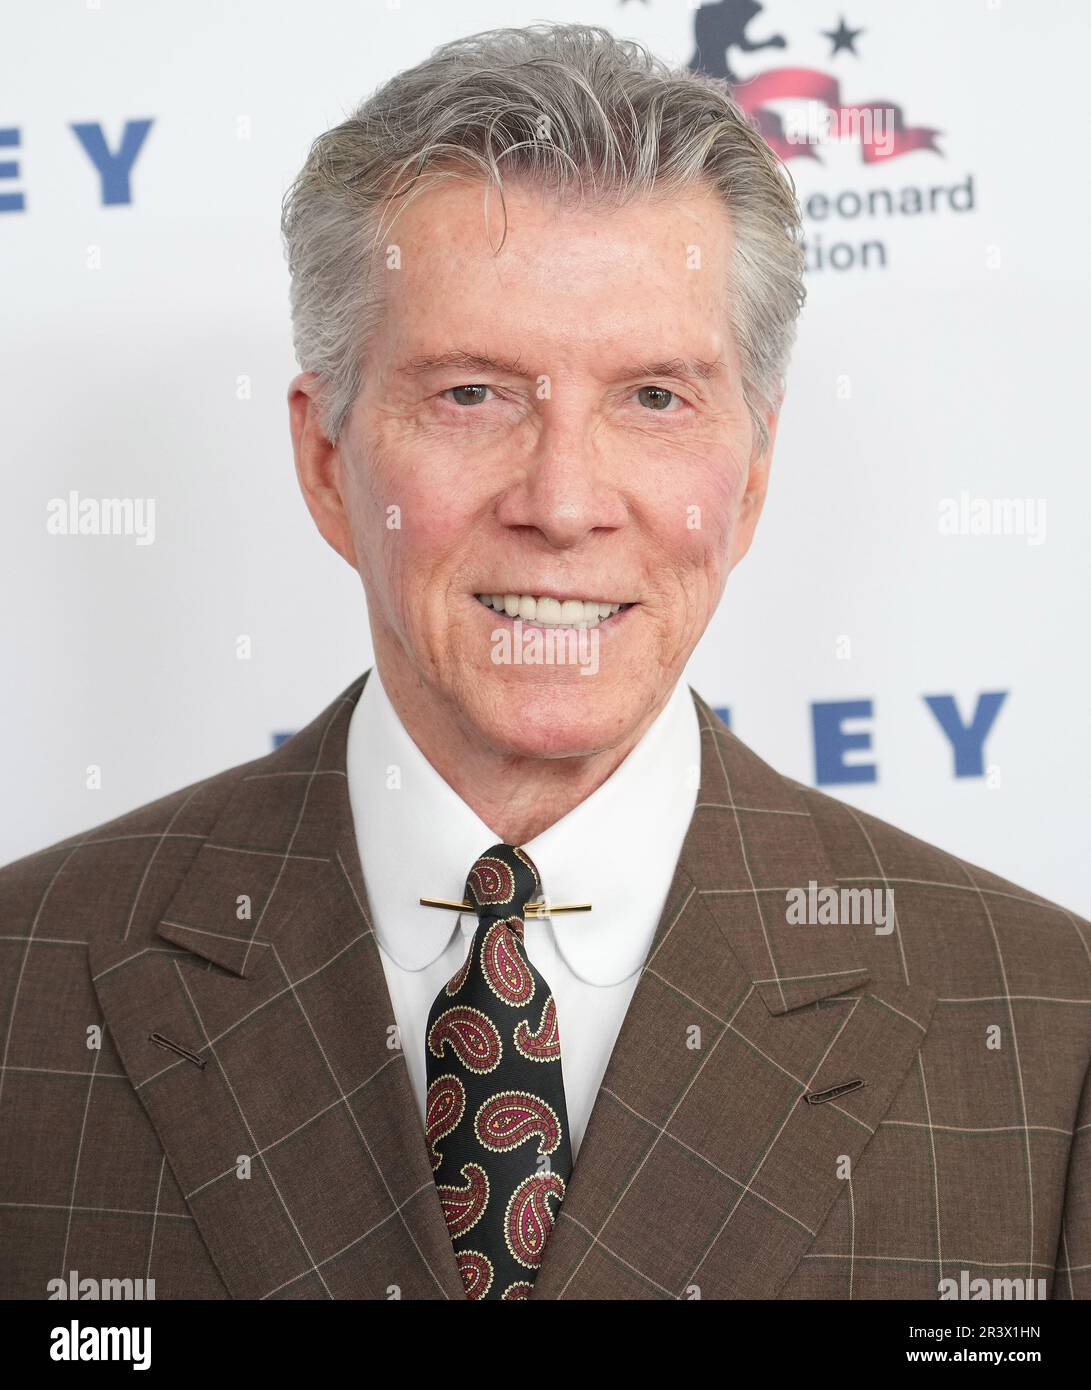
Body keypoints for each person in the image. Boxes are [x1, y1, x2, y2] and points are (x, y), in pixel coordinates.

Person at [1, 23, 1087, 1302]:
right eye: (472, 394)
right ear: (325, 460)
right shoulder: (29, 982)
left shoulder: (1043, 1030)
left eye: (653, 399)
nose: (564, 502)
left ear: (747, 479)